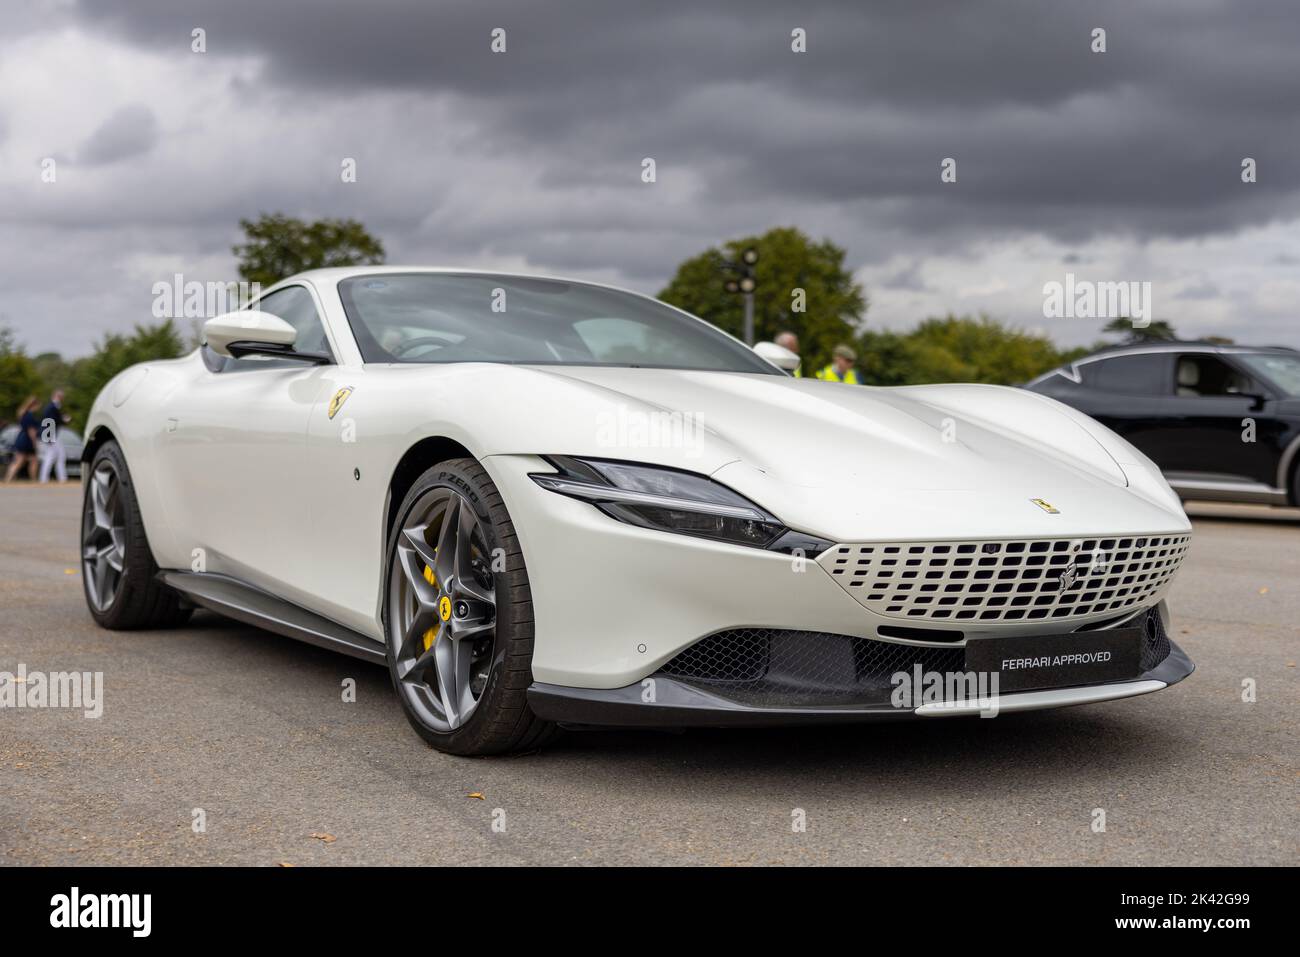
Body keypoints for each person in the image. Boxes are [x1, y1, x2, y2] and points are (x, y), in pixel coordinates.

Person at [37, 389, 71, 484]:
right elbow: (50, 421)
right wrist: (63, 420)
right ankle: (50, 478)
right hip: (50, 434)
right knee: (54, 456)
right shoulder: (52, 407)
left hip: (50, 434)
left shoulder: (53, 407)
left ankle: (57, 478)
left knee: (56, 456)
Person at [3, 396, 40, 482]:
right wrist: (35, 443)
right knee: (20, 461)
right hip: (26, 441)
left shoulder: (24, 414)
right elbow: (31, 431)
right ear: (34, 405)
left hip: (22, 439)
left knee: (32, 460)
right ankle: (8, 479)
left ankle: (33, 480)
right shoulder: (29, 416)